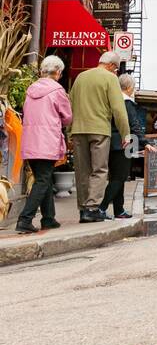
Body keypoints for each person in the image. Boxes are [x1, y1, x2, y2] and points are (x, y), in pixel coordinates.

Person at [69, 50, 131, 223]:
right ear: (111, 65)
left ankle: (83, 209)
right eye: (116, 69)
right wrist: (126, 134)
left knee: (82, 171)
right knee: (99, 170)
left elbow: (70, 104)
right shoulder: (110, 78)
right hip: (99, 130)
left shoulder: (81, 77)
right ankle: (92, 208)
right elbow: (119, 110)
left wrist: (69, 131)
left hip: (79, 129)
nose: (116, 72)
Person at [17, 55, 72, 234]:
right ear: (57, 72)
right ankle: (25, 219)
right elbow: (67, 117)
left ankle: (48, 218)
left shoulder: (30, 90)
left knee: (44, 178)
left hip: (31, 140)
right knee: (42, 180)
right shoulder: (58, 91)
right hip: (47, 141)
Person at [100, 73, 143, 219]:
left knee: (116, 177)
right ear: (130, 87)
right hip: (124, 143)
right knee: (120, 177)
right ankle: (102, 207)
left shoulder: (112, 101)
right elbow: (134, 125)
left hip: (110, 142)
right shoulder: (127, 103)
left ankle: (119, 209)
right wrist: (144, 142)